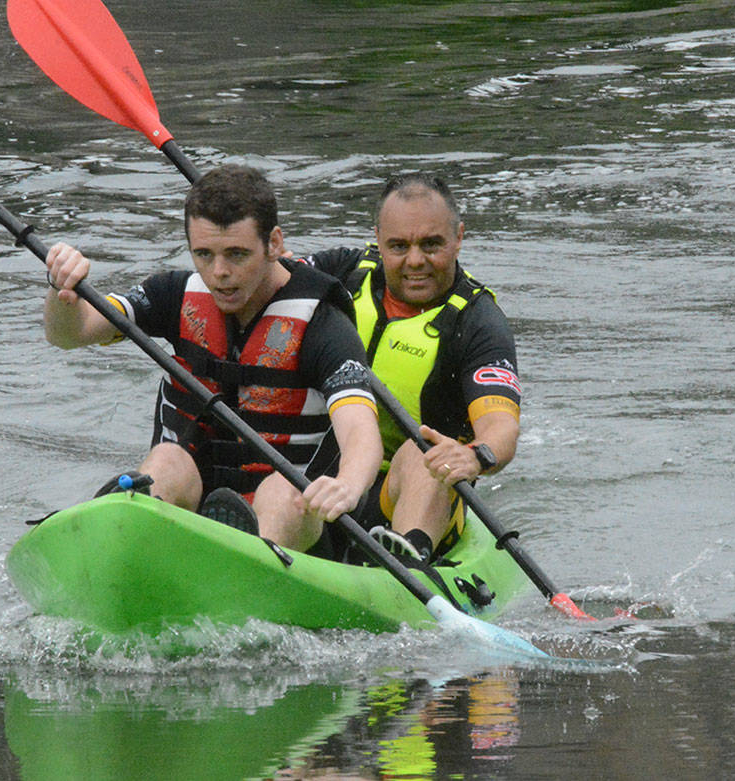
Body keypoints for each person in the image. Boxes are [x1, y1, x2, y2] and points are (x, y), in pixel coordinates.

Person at [43, 164, 382, 553]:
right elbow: (70, 334)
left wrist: (348, 485)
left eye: (237, 254)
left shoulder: (323, 326)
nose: (219, 273)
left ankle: (247, 559)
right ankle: (135, 538)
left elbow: (360, 431)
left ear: (274, 243)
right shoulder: (175, 295)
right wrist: (61, 290)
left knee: (283, 491)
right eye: (203, 254)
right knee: (167, 462)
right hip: (196, 509)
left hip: (300, 532)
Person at [301, 173, 521, 562]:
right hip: (323, 478)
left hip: (404, 495)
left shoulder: (478, 323)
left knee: (424, 452)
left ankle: (408, 561)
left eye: (431, 244)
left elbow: (501, 428)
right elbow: (268, 278)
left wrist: (476, 456)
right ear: (378, 239)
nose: (415, 261)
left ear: (458, 238)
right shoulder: (343, 274)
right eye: (399, 246)